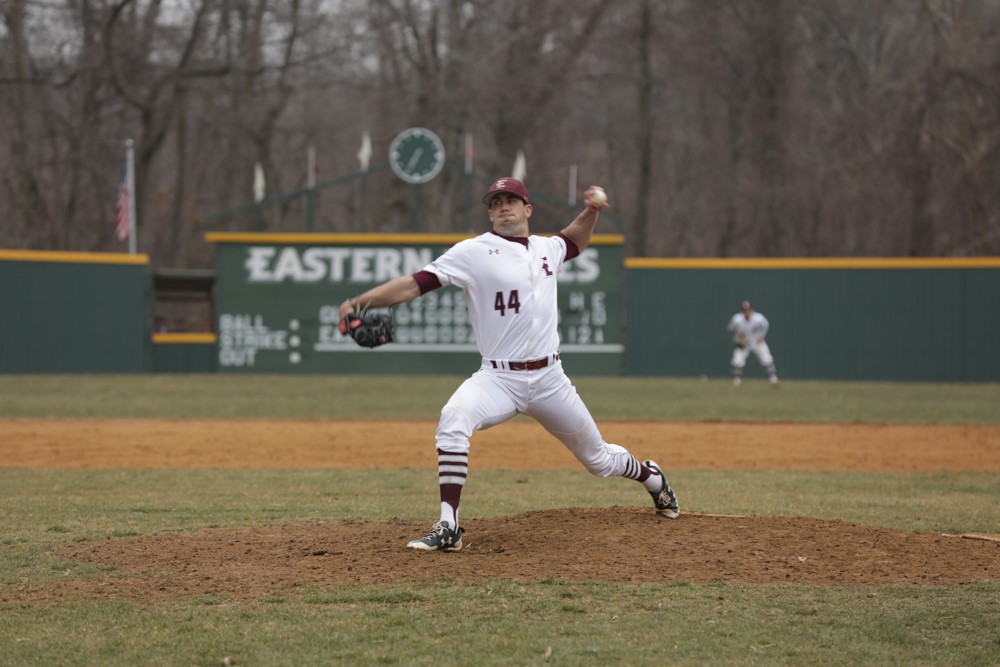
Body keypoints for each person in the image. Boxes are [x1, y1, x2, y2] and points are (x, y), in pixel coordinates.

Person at [338, 177, 679, 552]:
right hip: (498, 377)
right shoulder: (472, 252)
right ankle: (448, 525)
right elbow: (414, 284)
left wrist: (592, 211)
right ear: (489, 212)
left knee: (598, 460)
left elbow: (575, 240)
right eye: (496, 201)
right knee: (453, 418)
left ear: (527, 209)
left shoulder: (547, 249)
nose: (504, 206)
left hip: (550, 379)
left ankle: (651, 477)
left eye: (512, 200)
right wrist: (361, 302)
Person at [726, 300, 778, 386]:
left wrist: (762, 336)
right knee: (737, 360)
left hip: (756, 341)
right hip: (744, 342)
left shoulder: (759, 318)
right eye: (745, 310)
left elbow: (765, 326)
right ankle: (736, 380)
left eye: (748, 310)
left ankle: (773, 379)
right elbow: (731, 330)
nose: (747, 312)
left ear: (752, 309)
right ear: (742, 311)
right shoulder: (737, 319)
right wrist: (737, 338)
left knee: (766, 358)